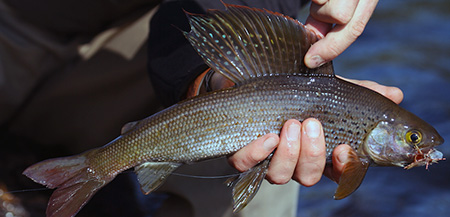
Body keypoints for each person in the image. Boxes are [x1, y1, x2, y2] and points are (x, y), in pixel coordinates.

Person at [0, 0, 402, 216]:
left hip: (153, 59)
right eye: (413, 140)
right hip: (23, 31)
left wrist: (212, 80)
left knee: (267, 188)